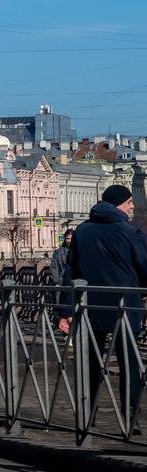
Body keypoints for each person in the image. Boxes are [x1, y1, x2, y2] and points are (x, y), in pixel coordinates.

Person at [69, 185, 147, 432]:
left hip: (90, 305)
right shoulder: (130, 232)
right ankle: (129, 417)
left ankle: (87, 414)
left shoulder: (82, 231)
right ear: (119, 205)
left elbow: (72, 271)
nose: (132, 206)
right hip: (126, 305)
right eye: (128, 202)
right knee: (130, 363)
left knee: (90, 361)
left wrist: (64, 311)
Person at [50, 229, 74, 327]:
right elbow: (54, 268)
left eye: (71, 239)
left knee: (73, 308)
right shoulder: (59, 252)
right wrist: (56, 281)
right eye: (67, 238)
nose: (69, 241)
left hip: (74, 283)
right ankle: (66, 333)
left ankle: (73, 332)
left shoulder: (78, 251)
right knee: (62, 309)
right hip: (61, 283)